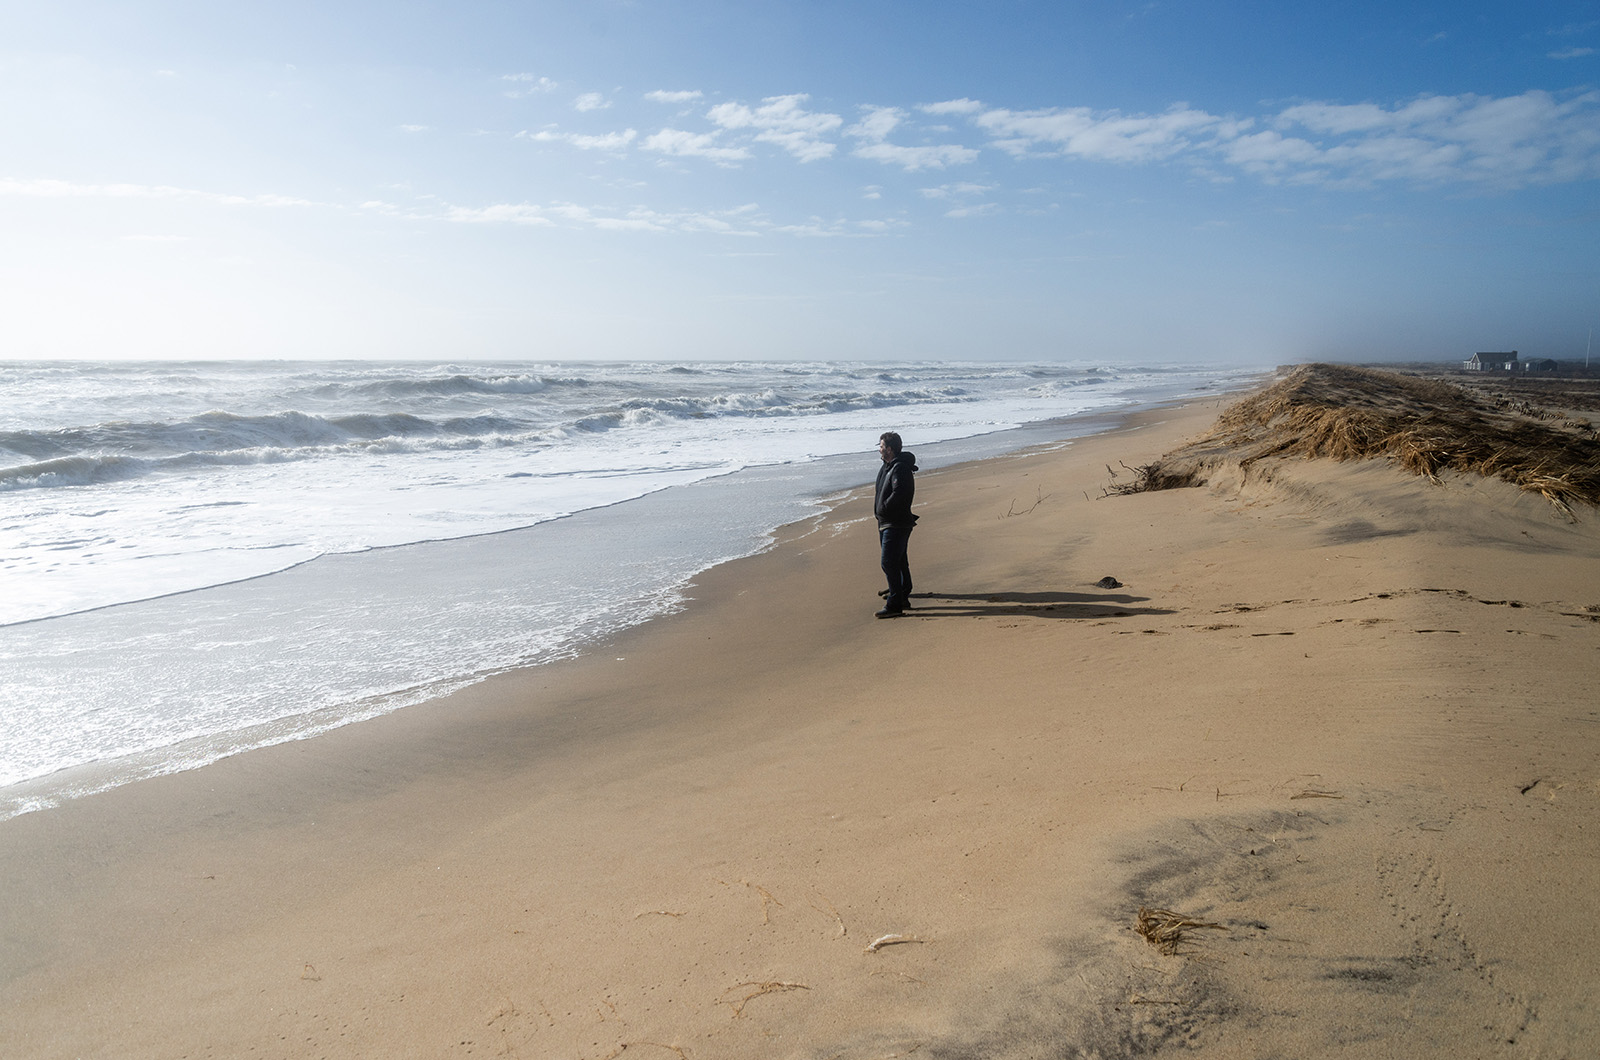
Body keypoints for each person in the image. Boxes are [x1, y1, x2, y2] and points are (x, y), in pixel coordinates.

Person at [873, 431, 918, 618]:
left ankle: (895, 603)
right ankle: (901, 593)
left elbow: (901, 493)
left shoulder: (899, 468)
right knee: (898, 561)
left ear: (890, 449)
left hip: (896, 523)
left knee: (889, 562)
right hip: (887, 522)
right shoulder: (888, 466)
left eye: (881, 446)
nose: (880, 450)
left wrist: (884, 508)